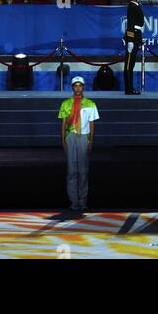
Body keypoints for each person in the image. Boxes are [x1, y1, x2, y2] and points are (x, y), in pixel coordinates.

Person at [58, 75, 99, 216]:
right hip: (71, 137)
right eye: (75, 85)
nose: (78, 88)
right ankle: (73, 202)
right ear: (72, 87)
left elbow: (92, 125)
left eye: (80, 85)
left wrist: (90, 141)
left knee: (83, 171)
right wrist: (63, 140)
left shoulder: (90, 104)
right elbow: (63, 124)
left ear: (83, 87)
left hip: (83, 138)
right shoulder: (66, 104)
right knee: (71, 171)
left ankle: (83, 202)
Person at [124, 0, 144, 94]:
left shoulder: (135, 6)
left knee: (131, 64)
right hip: (133, 36)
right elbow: (131, 24)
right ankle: (128, 89)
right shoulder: (131, 7)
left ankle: (130, 88)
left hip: (136, 36)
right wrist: (130, 40)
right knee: (129, 64)